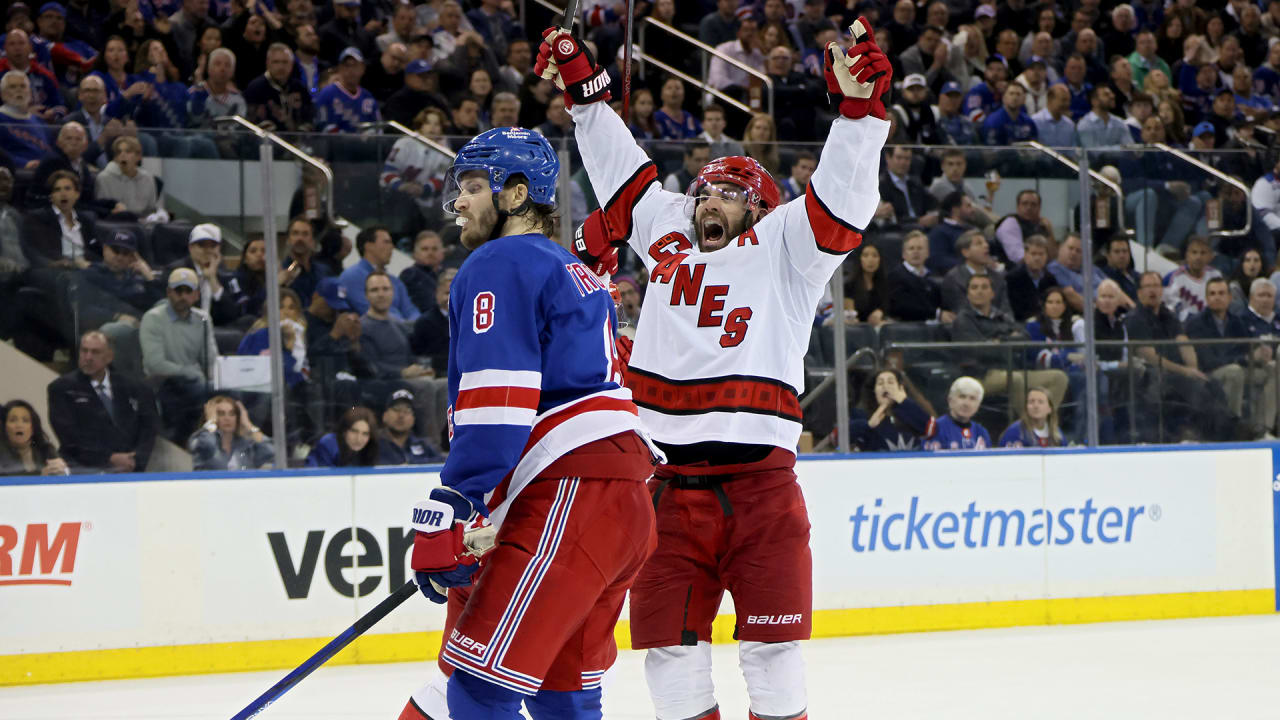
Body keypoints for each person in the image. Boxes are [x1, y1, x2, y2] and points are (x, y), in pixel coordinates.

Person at [541, 18, 889, 720]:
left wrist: (859, 115)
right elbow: (621, 172)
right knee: (669, 655)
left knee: (774, 656)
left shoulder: (787, 246)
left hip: (761, 488)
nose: (709, 201)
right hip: (664, 489)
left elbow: (842, 205)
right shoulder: (670, 229)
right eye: (704, 191)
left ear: (759, 208)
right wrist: (585, 93)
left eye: (729, 192)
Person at [394, 124, 658, 720]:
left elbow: (499, 400)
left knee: (479, 689)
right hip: (618, 504)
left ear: (515, 195)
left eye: (473, 186)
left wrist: (456, 502)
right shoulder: (572, 269)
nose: (458, 201)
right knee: (562, 695)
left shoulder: (501, 259)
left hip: (570, 496)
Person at [952, 273, 1069, 411]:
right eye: (974, 287)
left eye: (984, 287)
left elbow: (1025, 337)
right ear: (968, 294)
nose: (979, 291)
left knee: (1059, 377)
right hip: (982, 374)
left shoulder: (1001, 316)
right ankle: (1024, 426)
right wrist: (1008, 341)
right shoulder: (963, 320)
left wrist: (1000, 340)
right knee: (1016, 380)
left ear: (992, 293)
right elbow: (979, 350)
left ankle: (1045, 423)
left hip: (1012, 369)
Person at [47, 330, 158, 473]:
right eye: (84, 351)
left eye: (95, 352)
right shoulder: (61, 388)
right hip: (83, 470)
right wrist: (109, 458)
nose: (88, 357)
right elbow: (69, 438)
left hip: (129, 471)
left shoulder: (135, 388)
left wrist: (136, 460)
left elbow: (149, 429)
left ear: (109, 356)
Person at [140, 268, 219, 442]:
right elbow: (155, 364)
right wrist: (192, 373)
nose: (183, 296)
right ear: (169, 292)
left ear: (196, 295)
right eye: (178, 291)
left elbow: (211, 360)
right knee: (198, 389)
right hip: (163, 382)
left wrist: (218, 380)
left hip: (194, 381)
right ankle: (188, 443)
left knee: (230, 394)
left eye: (188, 291)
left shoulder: (203, 319)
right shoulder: (153, 318)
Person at [1184, 277, 1253, 425]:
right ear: (1207, 298)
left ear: (1229, 297)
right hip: (1207, 373)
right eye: (1213, 294)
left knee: (1270, 370)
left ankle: (1265, 427)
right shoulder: (1197, 323)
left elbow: (1246, 348)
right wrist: (1241, 359)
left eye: (1221, 293)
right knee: (1234, 372)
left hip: (1237, 368)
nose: (1217, 297)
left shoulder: (1237, 321)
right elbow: (1208, 361)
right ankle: (1232, 426)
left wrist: (1258, 356)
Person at [166, 223, 246, 326]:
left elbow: (232, 314)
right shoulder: (175, 272)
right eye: (201, 245)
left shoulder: (227, 276)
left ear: (219, 249)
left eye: (213, 246)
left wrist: (212, 280)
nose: (208, 250)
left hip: (216, 331)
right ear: (191, 248)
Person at [337, 225, 420, 320]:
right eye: (386, 242)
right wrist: (405, 327)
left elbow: (410, 310)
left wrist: (416, 326)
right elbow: (370, 311)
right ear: (368, 246)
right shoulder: (351, 277)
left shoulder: (395, 281)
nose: (392, 247)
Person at [848, 368, 933, 451]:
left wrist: (904, 402)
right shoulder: (861, 415)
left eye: (891, 382)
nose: (885, 386)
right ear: (874, 391)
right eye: (880, 383)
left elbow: (932, 430)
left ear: (900, 388)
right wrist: (868, 425)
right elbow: (838, 438)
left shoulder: (912, 412)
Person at [187, 395, 274, 470]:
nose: (227, 418)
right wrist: (211, 422)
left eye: (232, 414)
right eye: (221, 414)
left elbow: (272, 453)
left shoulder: (247, 446)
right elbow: (204, 445)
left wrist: (249, 425)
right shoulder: (203, 439)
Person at [95, 135, 165, 221]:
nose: (122, 155)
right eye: (119, 152)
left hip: (142, 223)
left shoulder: (148, 178)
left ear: (138, 156)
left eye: (127, 151)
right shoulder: (104, 178)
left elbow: (152, 210)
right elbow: (101, 209)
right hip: (115, 223)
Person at [941, 231, 1012, 316]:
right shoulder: (953, 278)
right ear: (965, 252)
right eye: (979, 243)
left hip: (1000, 326)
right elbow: (962, 312)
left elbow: (1006, 311)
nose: (986, 245)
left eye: (985, 242)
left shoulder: (998, 277)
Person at [314, 47, 380, 133]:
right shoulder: (327, 94)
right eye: (347, 65)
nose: (350, 70)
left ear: (363, 68)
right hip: (334, 145)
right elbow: (320, 125)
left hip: (364, 145)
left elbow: (378, 127)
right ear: (340, 68)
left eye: (355, 65)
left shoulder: (368, 97)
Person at [888, 230, 950, 322]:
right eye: (911, 248)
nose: (915, 252)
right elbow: (901, 306)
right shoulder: (896, 276)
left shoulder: (931, 277)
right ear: (904, 254)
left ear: (928, 253)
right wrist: (936, 314)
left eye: (920, 248)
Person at [0, 400, 68, 476]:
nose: (19, 425)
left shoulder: (46, 449)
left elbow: (64, 475)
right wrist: (40, 477)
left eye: (25, 420)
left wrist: (63, 470)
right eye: (13, 420)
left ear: (33, 428)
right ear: (4, 427)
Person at [1163, 236, 1224, 321]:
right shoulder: (1174, 278)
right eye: (1194, 252)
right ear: (1187, 255)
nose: (1198, 257)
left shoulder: (1216, 275)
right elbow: (1170, 311)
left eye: (1203, 253)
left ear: (1210, 256)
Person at [923, 375, 992, 450]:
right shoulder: (935, 429)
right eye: (962, 397)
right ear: (950, 400)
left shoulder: (981, 432)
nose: (966, 403)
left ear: (979, 405)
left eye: (972, 398)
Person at [376, 388, 442, 465]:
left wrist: (411, 464)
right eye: (396, 409)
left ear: (413, 419)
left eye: (407, 411)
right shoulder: (373, 444)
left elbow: (443, 463)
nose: (401, 415)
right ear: (384, 416)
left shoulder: (424, 445)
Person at [1047, 233, 1108, 314]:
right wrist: (1101, 314)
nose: (1073, 253)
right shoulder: (1055, 269)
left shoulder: (1091, 268)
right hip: (1092, 315)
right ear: (1060, 247)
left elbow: (1114, 288)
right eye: (1070, 248)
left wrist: (1130, 307)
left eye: (1078, 251)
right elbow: (1071, 295)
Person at [305, 405, 379, 467]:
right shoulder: (328, 444)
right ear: (344, 431)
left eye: (365, 434)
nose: (359, 439)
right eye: (354, 431)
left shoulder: (371, 448)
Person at [1006, 235, 1056, 321]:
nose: (1037, 258)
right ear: (1025, 255)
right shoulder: (1012, 278)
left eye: (1041, 254)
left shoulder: (1050, 279)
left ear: (1046, 256)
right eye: (1033, 254)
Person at [998, 387, 1066, 447]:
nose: (1036, 406)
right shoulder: (1014, 432)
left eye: (1040, 402)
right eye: (1031, 402)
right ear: (1026, 407)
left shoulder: (1057, 433)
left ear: (1050, 409)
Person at [400, 229, 444, 315]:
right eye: (425, 249)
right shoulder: (410, 275)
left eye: (434, 249)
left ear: (442, 253)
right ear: (415, 254)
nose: (430, 253)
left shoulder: (448, 275)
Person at [847, 241, 889, 325]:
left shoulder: (886, 284)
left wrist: (880, 312)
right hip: (858, 329)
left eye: (875, 256)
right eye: (865, 255)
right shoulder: (849, 286)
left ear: (880, 259)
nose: (870, 260)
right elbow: (850, 314)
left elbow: (888, 308)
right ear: (859, 259)